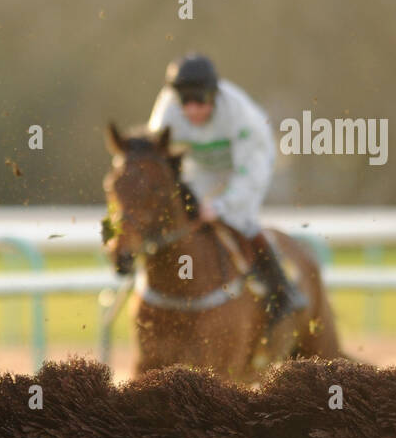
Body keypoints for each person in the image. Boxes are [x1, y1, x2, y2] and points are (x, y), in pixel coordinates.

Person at [117, 53, 305, 321]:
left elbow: (249, 176)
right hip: (202, 166)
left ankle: (281, 289)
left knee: (241, 220)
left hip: (247, 165)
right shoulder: (167, 110)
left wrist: (220, 205)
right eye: (185, 101)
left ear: (214, 95)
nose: (191, 109)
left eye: (199, 100)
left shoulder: (240, 116)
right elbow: (156, 160)